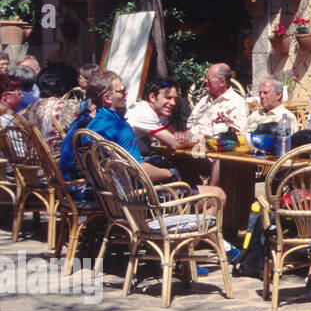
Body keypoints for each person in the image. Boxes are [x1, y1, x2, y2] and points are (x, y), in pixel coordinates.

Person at [84, 70, 227, 218]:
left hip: (110, 196)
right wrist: (170, 174)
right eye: (121, 90)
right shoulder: (121, 127)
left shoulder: (91, 127)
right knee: (218, 195)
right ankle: (188, 238)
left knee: (179, 169)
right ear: (107, 98)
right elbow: (139, 169)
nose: (126, 93)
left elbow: (176, 137)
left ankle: (200, 235)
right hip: (136, 198)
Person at [126, 77, 196, 155]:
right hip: (126, 162)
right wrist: (201, 144)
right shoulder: (143, 112)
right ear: (152, 97)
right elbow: (175, 144)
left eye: (175, 99)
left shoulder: (157, 112)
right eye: (168, 98)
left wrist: (180, 135)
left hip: (136, 156)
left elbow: (174, 134)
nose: (173, 103)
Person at [23, 66, 80, 149]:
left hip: (35, 156)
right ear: (62, 86)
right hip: (58, 156)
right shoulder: (70, 106)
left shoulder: (31, 107)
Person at [187, 63, 249, 137]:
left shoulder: (237, 102)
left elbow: (235, 132)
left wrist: (198, 133)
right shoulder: (204, 100)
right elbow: (190, 125)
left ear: (222, 82)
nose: (205, 81)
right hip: (193, 144)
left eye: (209, 79)